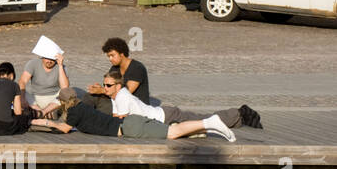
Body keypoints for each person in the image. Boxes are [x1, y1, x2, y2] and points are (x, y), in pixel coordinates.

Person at [36, 70, 247, 141]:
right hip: (134, 123)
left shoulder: (73, 114)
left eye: (108, 85)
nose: (105, 87)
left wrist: (41, 121)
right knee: (175, 132)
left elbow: (63, 128)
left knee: (173, 133)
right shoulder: (81, 109)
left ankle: (212, 121)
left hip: (136, 125)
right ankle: (208, 124)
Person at [85, 37, 150, 113]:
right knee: (89, 96)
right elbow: (110, 87)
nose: (110, 59)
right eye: (109, 56)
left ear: (121, 54)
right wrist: (99, 88)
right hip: (117, 100)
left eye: (112, 55)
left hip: (133, 106)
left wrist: (102, 90)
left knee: (103, 107)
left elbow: (126, 93)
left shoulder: (137, 68)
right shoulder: (115, 68)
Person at [19, 35, 69, 117]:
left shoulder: (62, 67)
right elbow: (22, 82)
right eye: (46, 58)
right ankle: (41, 111)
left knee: (69, 94)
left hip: (54, 99)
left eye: (52, 59)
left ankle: (42, 112)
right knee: (17, 91)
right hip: (35, 99)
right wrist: (22, 98)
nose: (49, 61)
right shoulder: (33, 63)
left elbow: (65, 88)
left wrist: (60, 66)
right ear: (42, 57)